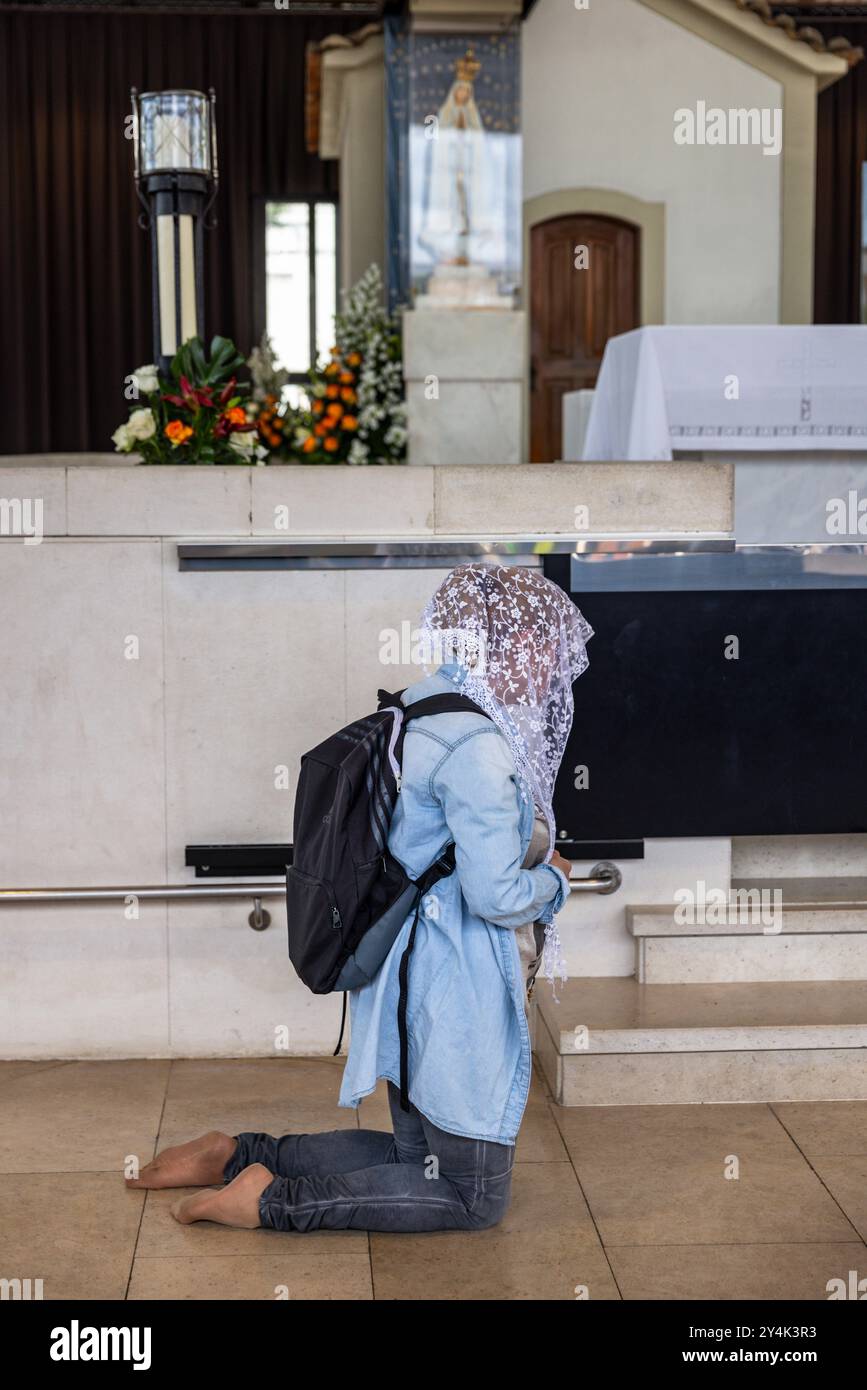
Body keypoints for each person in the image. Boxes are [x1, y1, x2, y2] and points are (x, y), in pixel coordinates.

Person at [127, 565, 593, 1233]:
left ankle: (238, 1155)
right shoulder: (478, 745)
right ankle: (264, 1201)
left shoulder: (418, 706)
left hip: (401, 972)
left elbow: (431, 844)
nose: (552, 666)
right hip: (452, 986)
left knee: (417, 1154)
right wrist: (554, 879)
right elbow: (493, 896)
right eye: (544, 647)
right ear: (505, 645)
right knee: (470, 1194)